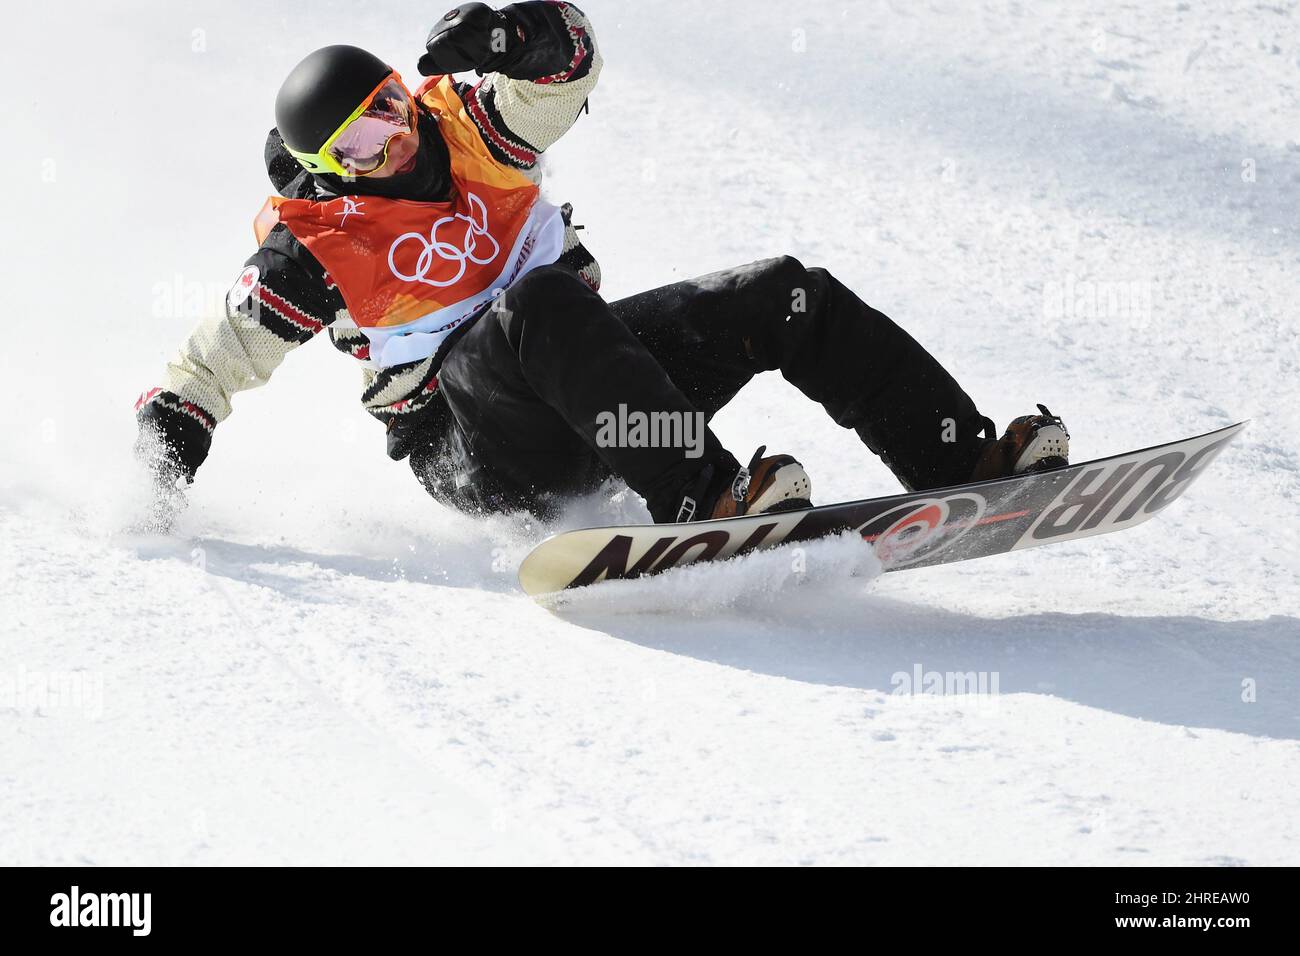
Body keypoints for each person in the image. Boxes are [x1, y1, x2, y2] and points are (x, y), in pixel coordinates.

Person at [135, 2, 1069, 532]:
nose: (393, 134)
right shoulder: (315, 246)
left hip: (603, 395)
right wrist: (166, 447)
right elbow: (214, 361)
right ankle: (704, 496)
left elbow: (566, 70)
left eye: (388, 103)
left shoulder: (472, 125)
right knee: (537, 302)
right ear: (334, 167)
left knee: (786, 293)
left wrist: (516, 38)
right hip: (476, 449)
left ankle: (960, 458)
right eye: (364, 139)